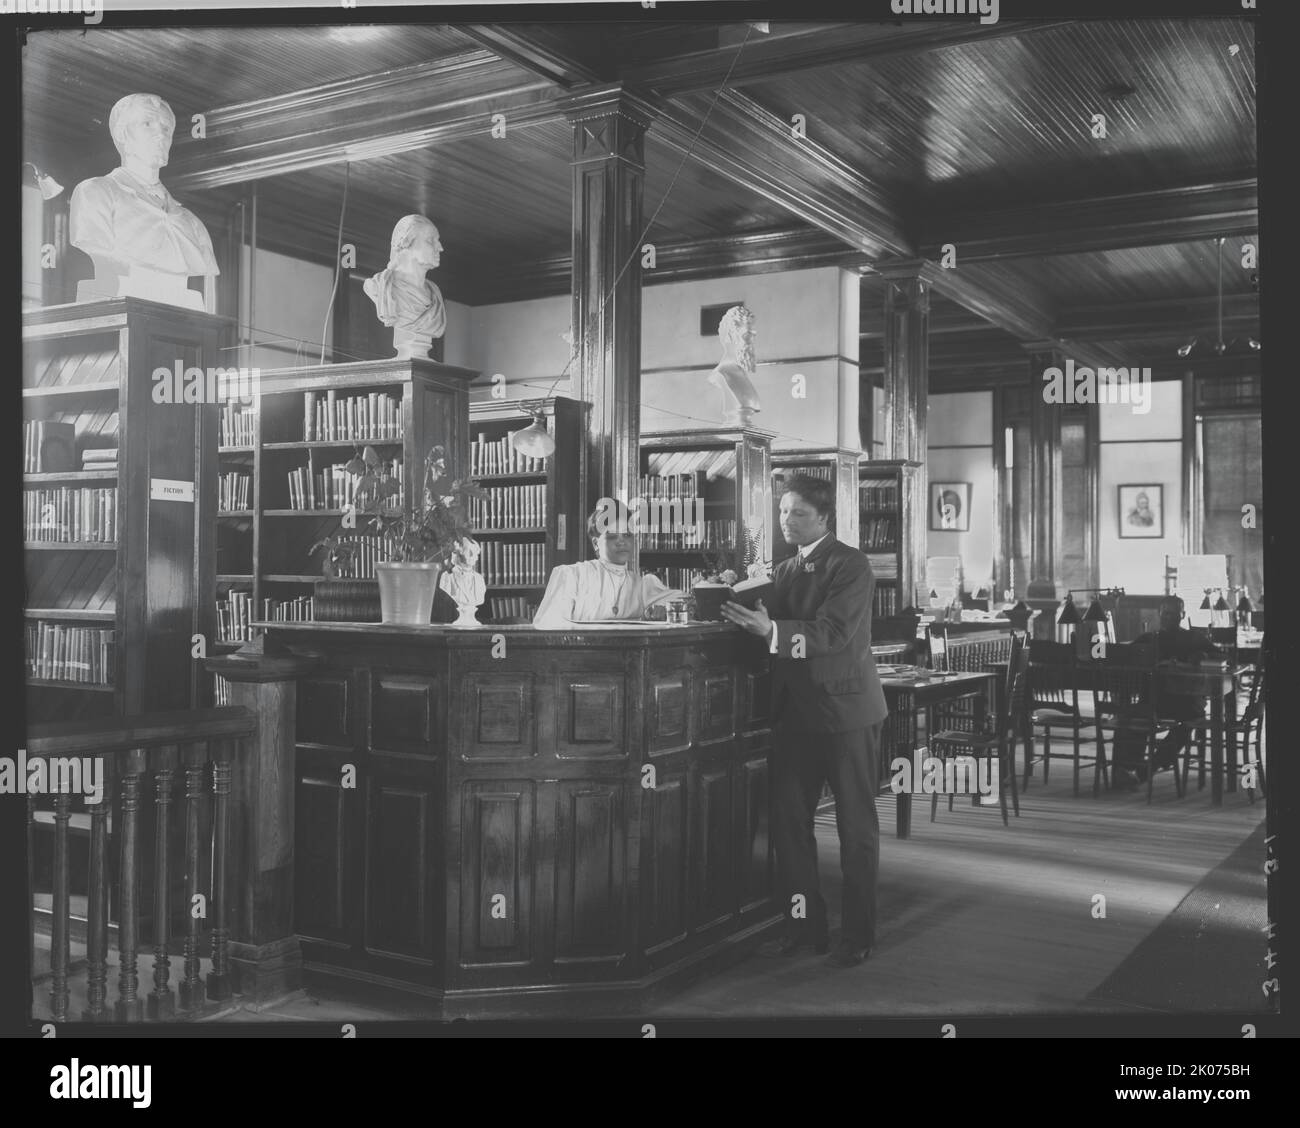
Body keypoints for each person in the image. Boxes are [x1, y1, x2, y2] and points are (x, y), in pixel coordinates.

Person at [720, 475, 887, 968]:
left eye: (797, 513)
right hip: (795, 714)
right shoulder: (785, 569)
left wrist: (771, 630)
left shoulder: (852, 565)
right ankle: (803, 928)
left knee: (855, 828)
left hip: (845, 712)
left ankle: (858, 935)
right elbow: (771, 635)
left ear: (823, 517)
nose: (786, 521)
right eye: (782, 512)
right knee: (789, 826)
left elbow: (832, 634)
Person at [69, 93, 220, 310]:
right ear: (123, 134)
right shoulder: (95, 193)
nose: (160, 134)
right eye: (147, 123)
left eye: (167, 128)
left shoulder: (193, 224)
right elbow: (95, 245)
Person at [1111, 595, 1222, 788]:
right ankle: (1125, 770)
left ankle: (1149, 768)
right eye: (1165, 614)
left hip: (1186, 702)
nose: (1168, 618)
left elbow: (1221, 655)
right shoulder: (1148, 639)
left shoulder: (1194, 638)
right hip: (1155, 702)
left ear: (1183, 615)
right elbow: (1124, 656)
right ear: (1159, 614)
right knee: (1130, 717)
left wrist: (1202, 655)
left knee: (1188, 723)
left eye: (1173, 614)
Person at [532, 508, 683, 628]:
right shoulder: (574, 575)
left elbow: (682, 599)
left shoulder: (641, 584)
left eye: (627, 535)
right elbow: (550, 625)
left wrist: (661, 608)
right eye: (612, 536)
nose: (621, 542)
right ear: (596, 543)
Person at [363, 215, 447, 359]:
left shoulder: (435, 293)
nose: (440, 248)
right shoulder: (380, 286)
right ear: (407, 243)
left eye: (437, 241)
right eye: (430, 240)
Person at [708, 304, 761, 427]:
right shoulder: (723, 374)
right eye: (747, 335)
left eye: (753, 335)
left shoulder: (741, 374)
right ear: (731, 335)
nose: (752, 341)